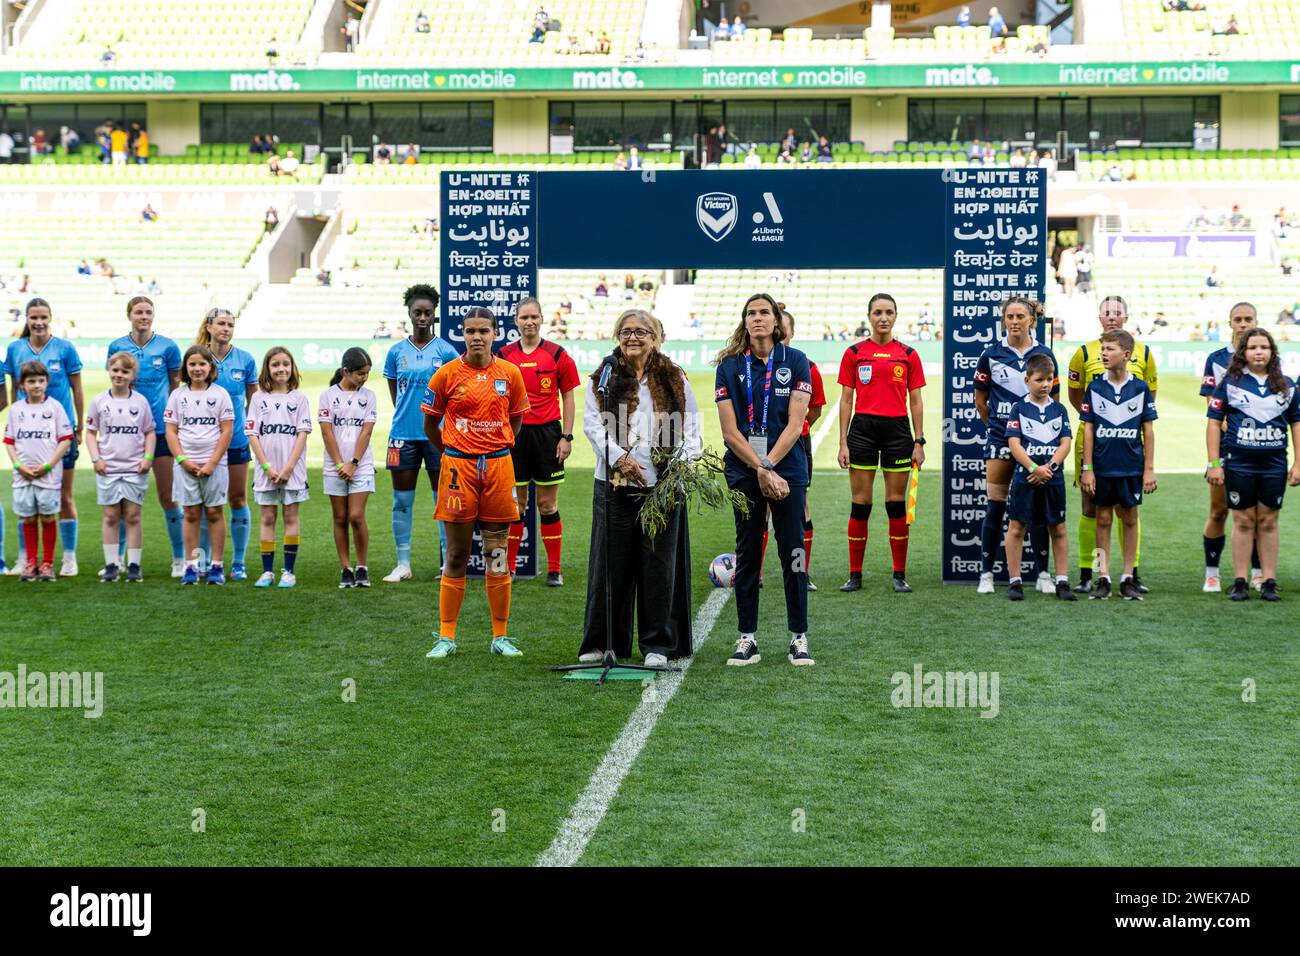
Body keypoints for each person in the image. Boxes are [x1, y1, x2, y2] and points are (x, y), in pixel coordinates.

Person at [577, 309, 699, 665]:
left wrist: (679, 466)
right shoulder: (604, 376)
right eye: (627, 331)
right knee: (609, 565)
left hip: (661, 485)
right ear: (617, 336)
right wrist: (619, 458)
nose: (633, 337)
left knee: (658, 565)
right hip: (614, 483)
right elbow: (592, 424)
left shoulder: (674, 377)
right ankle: (603, 642)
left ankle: (657, 644)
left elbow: (691, 427)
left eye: (641, 332)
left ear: (655, 337)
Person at [421, 308, 530, 659]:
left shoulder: (510, 374)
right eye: (470, 331)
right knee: (456, 554)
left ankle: (500, 636)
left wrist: (495, 447)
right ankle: (446, 637)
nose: (477, 337)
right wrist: (455, 453)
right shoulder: (446, 374)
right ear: (462, 334)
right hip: (458, 471)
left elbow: (516, 421)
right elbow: (430, 426)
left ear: (496, 334)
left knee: (496, 554)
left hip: (498, 469)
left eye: (484, 330)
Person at [714, 295, 814, 666]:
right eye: (751, 313)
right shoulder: (728, 366)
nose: (757, 319)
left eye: (764, 313)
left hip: (786, 467)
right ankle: (747, 638)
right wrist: (759, 467)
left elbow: (795, 423)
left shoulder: (796, 360)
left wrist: (769, 464)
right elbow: (729, 431)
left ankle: (799, 637)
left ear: (776, 322)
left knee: (794, 553)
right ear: (745, 321)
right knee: (748, 554)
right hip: (744, 467)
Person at [1067, 295, 1158, 593]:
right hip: (1099, 458)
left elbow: (1149, 421)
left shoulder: (1141, 373)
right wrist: (1088, 466)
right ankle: (1095, 574)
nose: (1111, 316)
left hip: (1130, 460)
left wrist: (1148, 468)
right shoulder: (1089, 368)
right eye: (1106, 312)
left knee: (1129, 515)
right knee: (1097, 514)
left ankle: (1129, 576)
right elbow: (1082, 410)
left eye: (1117, 312)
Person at [837, 294, 925, 593]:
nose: (883, 317)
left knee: (895, 505)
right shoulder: (854, 353)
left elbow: (916, 400)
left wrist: (919, 440)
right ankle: (855, 574)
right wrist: (842, 442)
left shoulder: (908, 354)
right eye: (877, 312)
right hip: (862, 429)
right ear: (870, 316)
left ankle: (899, 574)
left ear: (896, 316)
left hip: (898, 430)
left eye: (888, 312)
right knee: (860, 504)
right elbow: (846, 400)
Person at [1206, 328, 1300, 601]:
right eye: (1252, 347)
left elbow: (1296, 423)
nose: (1258, 352)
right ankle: (1240, 581)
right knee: (1243, 520)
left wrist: (1298, 462)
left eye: (1264, 347)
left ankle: (1269, 580)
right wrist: (1214, 462)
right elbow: (1213, 422)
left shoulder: (1287, 384)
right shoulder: (1230, 382)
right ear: (1243, 353)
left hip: (1274, 463)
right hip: (1239, 463)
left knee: (1269, 520)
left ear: (1272, 352)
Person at [973, 297, 1059, 595]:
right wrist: (998, 428)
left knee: (1036, 511)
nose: (1014, 321)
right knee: (995, 507)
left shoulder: (1044, 354)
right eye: (1009, 316)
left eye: (1020, 316)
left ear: (1031, 320)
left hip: (1038, 445)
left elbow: (1054, 402)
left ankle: (1044, 574)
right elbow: (981, 401)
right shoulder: (991, 354)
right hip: (999, 440)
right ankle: (986, 574)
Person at [500, 298, 581, 585]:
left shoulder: (558, 354)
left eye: (534, 317)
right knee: (515, 505)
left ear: (542, 319)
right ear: (516, 321)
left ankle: (554, 570)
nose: (529, 322)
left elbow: (568, 396)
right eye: (524, 317)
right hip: (516, 436)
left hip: (548, 435)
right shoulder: (504, 355)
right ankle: (509, 569)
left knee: (547, 505)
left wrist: (566, 436)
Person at [382, 284, 459, 584]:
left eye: (428, 313)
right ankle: (403, 564)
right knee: (401, 500)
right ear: (410, 314)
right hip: (403, 434)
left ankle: (445, 564)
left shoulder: (446, 351)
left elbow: (455, 393)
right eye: (418, 312)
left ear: (435, 315)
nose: (423, 317)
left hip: (438, 437)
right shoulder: (395, 352)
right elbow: (395, 393)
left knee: (443, 499)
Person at [3, 299, 84, 577]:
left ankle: (68, 558)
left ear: (51, 317)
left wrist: (79, 427)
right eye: (33, 317)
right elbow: (14, 389)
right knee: (26, 500)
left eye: (43, 317)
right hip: (28, 436)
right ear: (27, 318)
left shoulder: (65, 348)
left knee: (64, 496)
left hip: (61, 432)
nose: (38, 322)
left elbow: (77, 387)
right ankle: (26, 558)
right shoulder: (15, 348)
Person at [106, 296, 185, 575]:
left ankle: (180, 558)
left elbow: (176, 384)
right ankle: (115, 561)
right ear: (129, 314)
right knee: (124, 499)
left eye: (148, 312)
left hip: (161, 432)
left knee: (167, 496)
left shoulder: (168, 347)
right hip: (128, 433)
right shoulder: (117, 346)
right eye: (139, 312)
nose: (144, 316)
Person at [1199, 303, 1262, 585]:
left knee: (1258, 513)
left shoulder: (1267, 359)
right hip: (1226, 444)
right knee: (1219, 509)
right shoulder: (1215, 358)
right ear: (1229, 323)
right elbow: (1211, 406)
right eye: (1238, 319)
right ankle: (1212, 574)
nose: (1243, 324)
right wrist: (1232, 428)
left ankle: (1259, 573)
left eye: (1248, 319)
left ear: (1256, 321)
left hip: (1260, 446)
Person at [1003, 354, 1075, 601]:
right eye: (1039, 379)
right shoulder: (1019, 408)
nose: (1045, 384)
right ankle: (1015, 582)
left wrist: (1050, 467)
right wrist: (1034, 467)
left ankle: (1063, 582)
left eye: (1049, 379)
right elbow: (1014, 444)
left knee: (1059, 527)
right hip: (1027, 477)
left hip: (1052, 477)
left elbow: (1065, 442)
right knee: (1017, 527)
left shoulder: (1059, 409)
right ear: (1027, 380)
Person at [164, 345, 234, 586]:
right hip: (185, 465)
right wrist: (183, 460)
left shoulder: (220, 394)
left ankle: (216, 565)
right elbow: (171, 431)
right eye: (192, 364)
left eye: (202, 364)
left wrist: (212, 462)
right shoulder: (177, 395)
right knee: (191, 513)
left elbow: (226, 430)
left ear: (210, 367)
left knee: (215, 512)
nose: (197, 368)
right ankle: (190, 566)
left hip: (215, 464)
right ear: (185, 368)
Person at [196, 307, 257, 580]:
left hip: (236, 441)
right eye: (221, 323)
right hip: (203, 443)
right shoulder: (198, 357)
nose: (226, 328)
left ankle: (239, 561)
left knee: (237, 498)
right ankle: (205, 560)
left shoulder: (244, 359)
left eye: (230, 324)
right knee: (206, 502)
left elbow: (254, 402)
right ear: (209, 326)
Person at [84, 352, 154, 583]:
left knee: (133, 516)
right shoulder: (99, 401)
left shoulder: (140, 401)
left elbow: (149, 432)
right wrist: (96, 459)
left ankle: (134, 565)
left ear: (133, 375)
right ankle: (112, 565)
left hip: (134, 469)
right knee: (111, 516)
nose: (119, 375)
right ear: (109, 370)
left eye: (125, 371)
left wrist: (148, 458)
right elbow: (91, 433)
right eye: (115, 370)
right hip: (108, 469)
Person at [245, 347, 311, 589]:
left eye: (286, 364)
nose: (281, 369)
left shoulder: (299, 398)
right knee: (268, 517)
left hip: (292, 471)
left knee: (291, 516)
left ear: (292, 367)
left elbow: (302, 434)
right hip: (266, 472)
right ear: (267, 369)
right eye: (275, 364)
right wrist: (266, 467)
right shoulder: (258, 398)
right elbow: (252, 433)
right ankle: (266, 572)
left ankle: (289, 572)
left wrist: (289, 468)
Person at [5, 361, 73, 581]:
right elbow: (9, 441)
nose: (36, 385)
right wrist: (18, 465)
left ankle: (47, 564)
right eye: (31, 381)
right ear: (22, 385)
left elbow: (65, 440)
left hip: (48, 475)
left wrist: (48, 465)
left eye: (40, 381)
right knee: (29, 518)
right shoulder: (16, 409)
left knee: (47, 517)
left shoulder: (54, 408)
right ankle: (31, 563)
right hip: (22, 475)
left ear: (47, 382)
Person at [319, 347, 377, 589]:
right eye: (360, 374)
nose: (364, 378)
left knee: (356, 516)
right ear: (346, 371)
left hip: (360, 465)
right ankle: (346, 568)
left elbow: (367, 430)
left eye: (367, 373)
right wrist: (339, 463)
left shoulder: (369, 395)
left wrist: (352, 463)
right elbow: (326, 431)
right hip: (335, 466)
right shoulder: (327, 395)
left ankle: (362, 565)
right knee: (340, 518)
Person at [778, 307, 824, 589]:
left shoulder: (807, 365)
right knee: (760, 510)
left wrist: (795, 427)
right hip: (761, 443)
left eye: (785, 329)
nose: (780, 333)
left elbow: (815, 410)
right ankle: (753, 573)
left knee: (800, 508)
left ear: (792, 332)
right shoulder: (752, 366)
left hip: (797, 443)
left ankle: (801, 572)